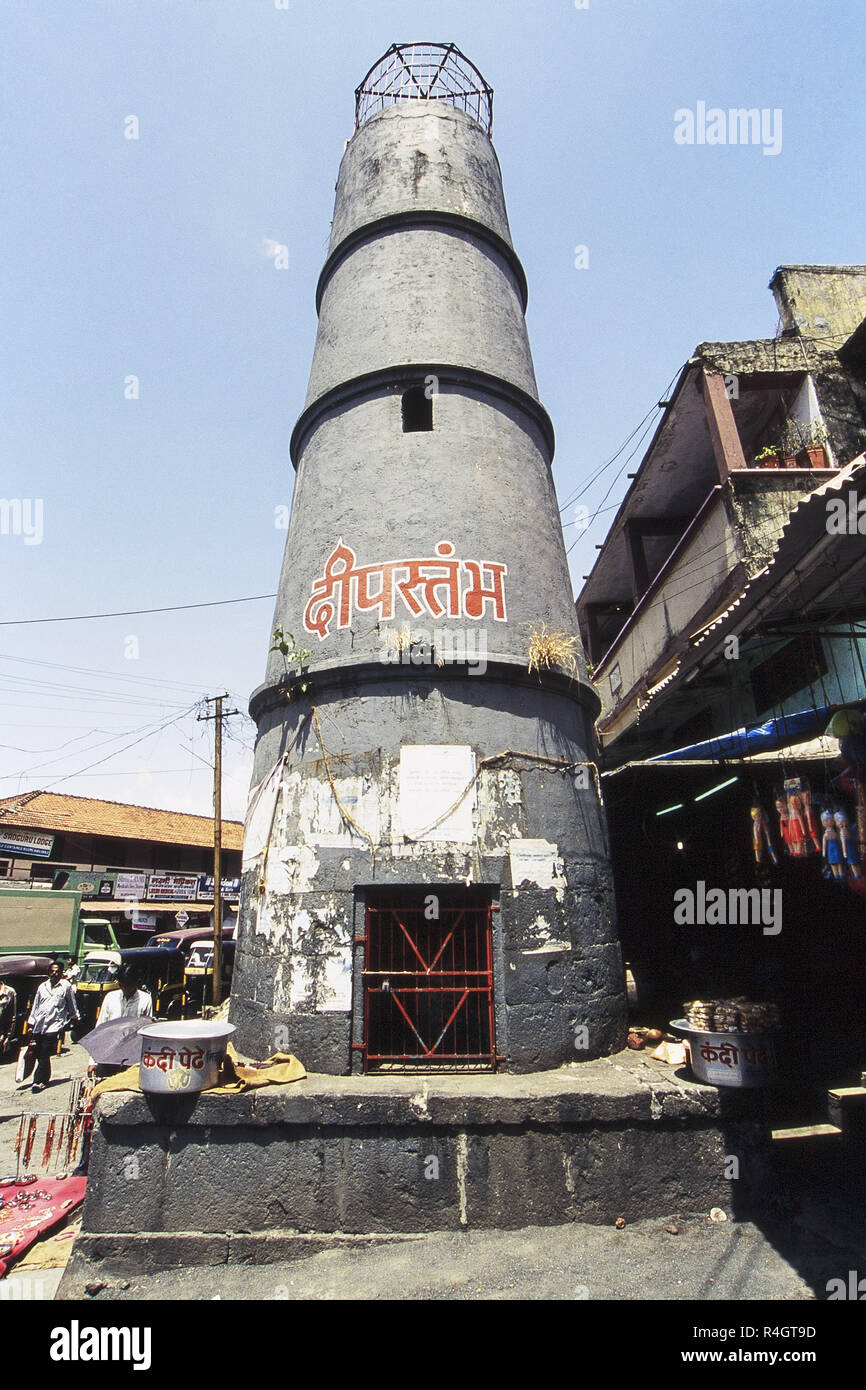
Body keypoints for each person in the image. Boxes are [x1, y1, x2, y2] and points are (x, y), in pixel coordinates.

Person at [87, 965, 153, 1082]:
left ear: (136, 983)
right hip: (108, 1054)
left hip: (132, 1057)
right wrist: (92, 1061)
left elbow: (147, 1032)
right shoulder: (110, 998)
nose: (125, 989)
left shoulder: (146, 999)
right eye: (122, 985)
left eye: (128, 985)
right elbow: (100, 1029)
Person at [26, 960, 80, 1093]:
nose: (54, 974)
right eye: (52, 971)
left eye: (57, 971)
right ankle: (45, 1078)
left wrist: (75, 1018)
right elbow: (36, 1006)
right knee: (39, 1053)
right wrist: (31, 1023)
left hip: (55, 1025)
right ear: (48, 972)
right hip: (39, 1024)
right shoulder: (42, 987)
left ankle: (37, 1081)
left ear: (62, 973)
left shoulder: (65, 986)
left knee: (45, 1051)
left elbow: (71, 1004)